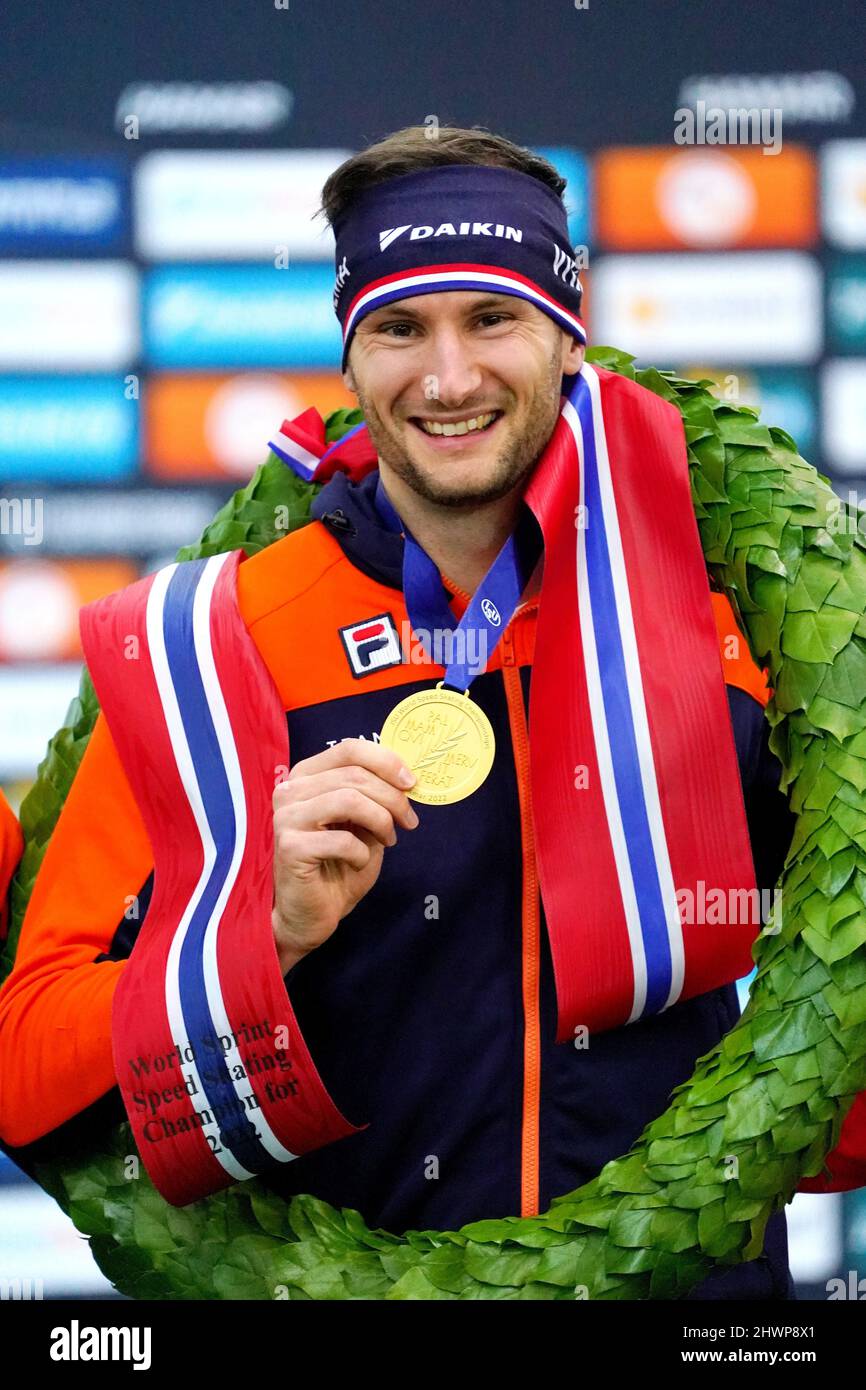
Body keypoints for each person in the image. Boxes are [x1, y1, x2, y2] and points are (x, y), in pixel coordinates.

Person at [0, 125, 863, 1300]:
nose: (447, 379)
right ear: (350, 360)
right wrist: (253, 939)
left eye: (490, 319)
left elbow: (833, 1029)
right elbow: (26, 1056)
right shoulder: (215, 644)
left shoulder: (729, 613)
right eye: (399, 329)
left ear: (567, 332)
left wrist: (769, 1133)